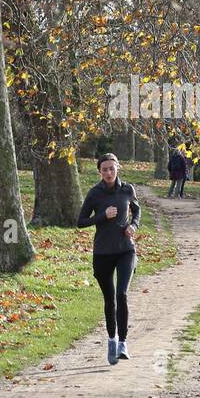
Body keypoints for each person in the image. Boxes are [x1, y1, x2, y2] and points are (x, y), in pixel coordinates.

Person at [76, 153, 141, 365]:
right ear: (100, 172)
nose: (109, 172)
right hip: (103, 253)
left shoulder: (127, 189)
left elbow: (137, 209)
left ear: (118, 168)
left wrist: (133, 225)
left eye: (112, 168)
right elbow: (81, 221)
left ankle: (123, 343)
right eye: (104, 169)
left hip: (125, 250)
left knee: (122, 294)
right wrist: (103, 215)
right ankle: (111, 340)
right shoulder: (94, 194)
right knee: (109, 299)